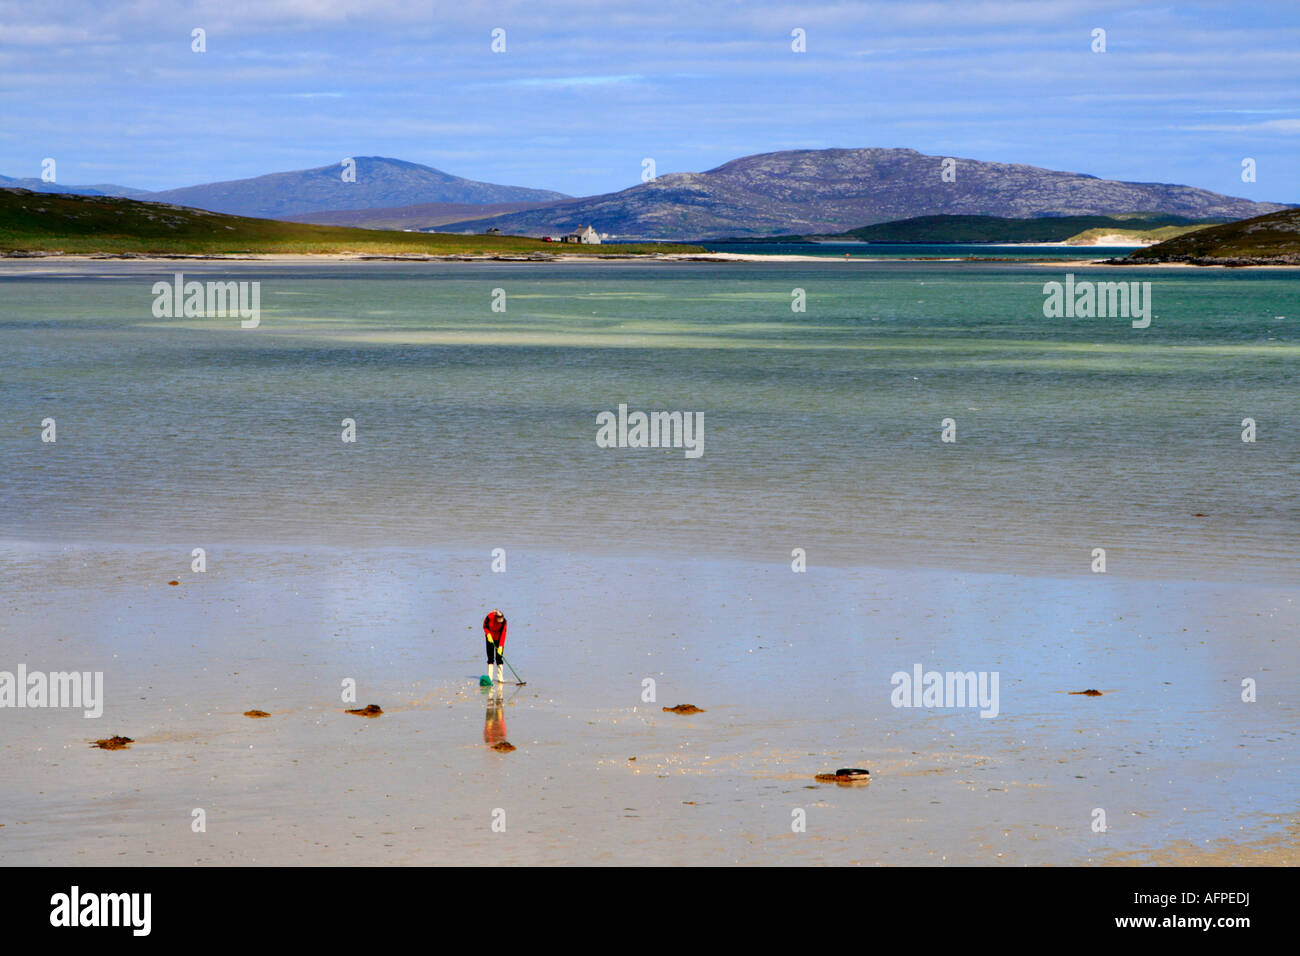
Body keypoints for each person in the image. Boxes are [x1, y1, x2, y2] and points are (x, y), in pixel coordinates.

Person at [483, 609, 507, 688]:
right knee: (490, 658)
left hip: (499, 639)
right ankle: (490, 678)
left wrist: (500, 646)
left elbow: (503, 634)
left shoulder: (504, 622)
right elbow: (485, 626)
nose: (500, 621)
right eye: (499, 620)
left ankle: (500, 678)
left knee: (499, 658)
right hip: (490, 638)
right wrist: (488, 634)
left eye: (501, 620)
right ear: (496, 618)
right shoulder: (489, 617)